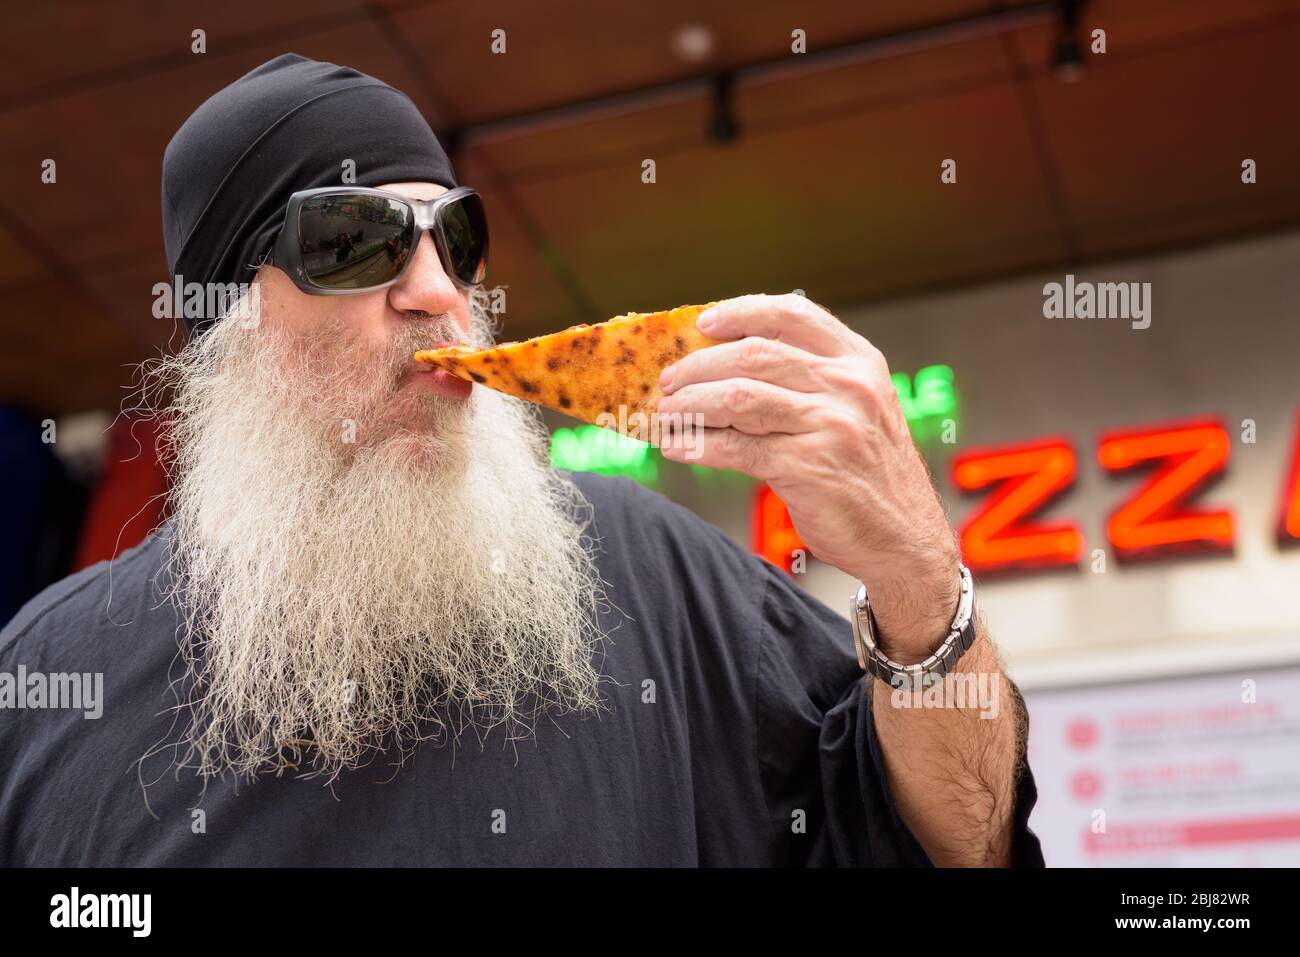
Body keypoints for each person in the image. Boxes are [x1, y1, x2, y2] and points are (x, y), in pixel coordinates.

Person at [0, 55, 1043, 867]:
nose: (437, 292)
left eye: (456, 239)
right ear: (226, 324)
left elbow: (957, 846)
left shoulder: (650, 573)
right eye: (356, 242)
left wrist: (914, 578)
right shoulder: (49, 676)